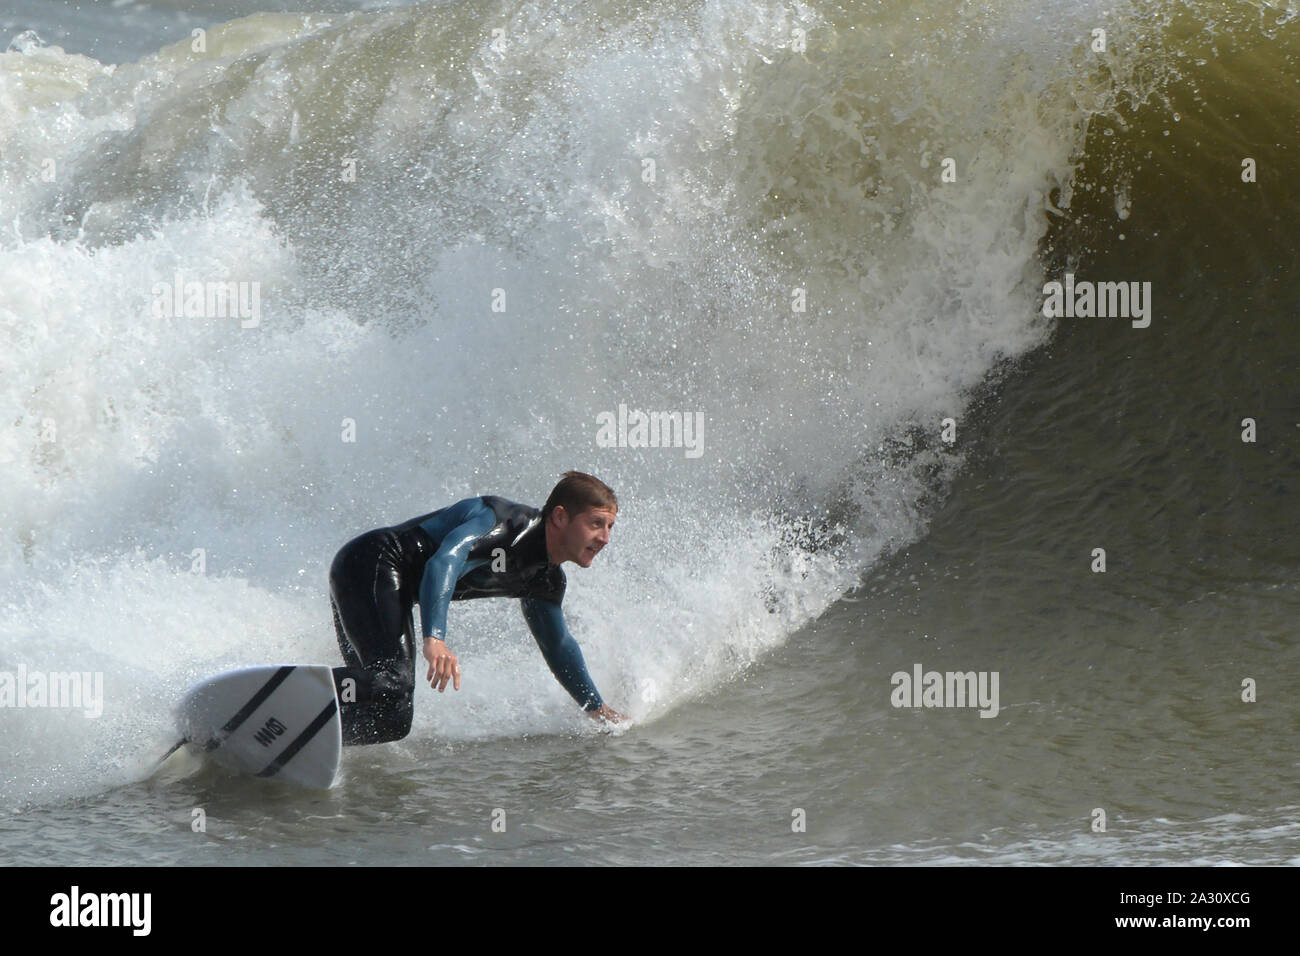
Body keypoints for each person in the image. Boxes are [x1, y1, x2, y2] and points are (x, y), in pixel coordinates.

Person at [327, 471, 626, 745]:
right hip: (371, 563)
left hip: (389, 591)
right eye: (596, 523)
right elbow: (444, 561)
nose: (605, 538)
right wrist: (435, 639)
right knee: (393, 678)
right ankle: (288, 694)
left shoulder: (544, 580)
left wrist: (596, 708)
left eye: (610, 526)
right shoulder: (505, 524)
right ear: (560, 517)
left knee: (393, 718)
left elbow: (557, 645)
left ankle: (307, 736)